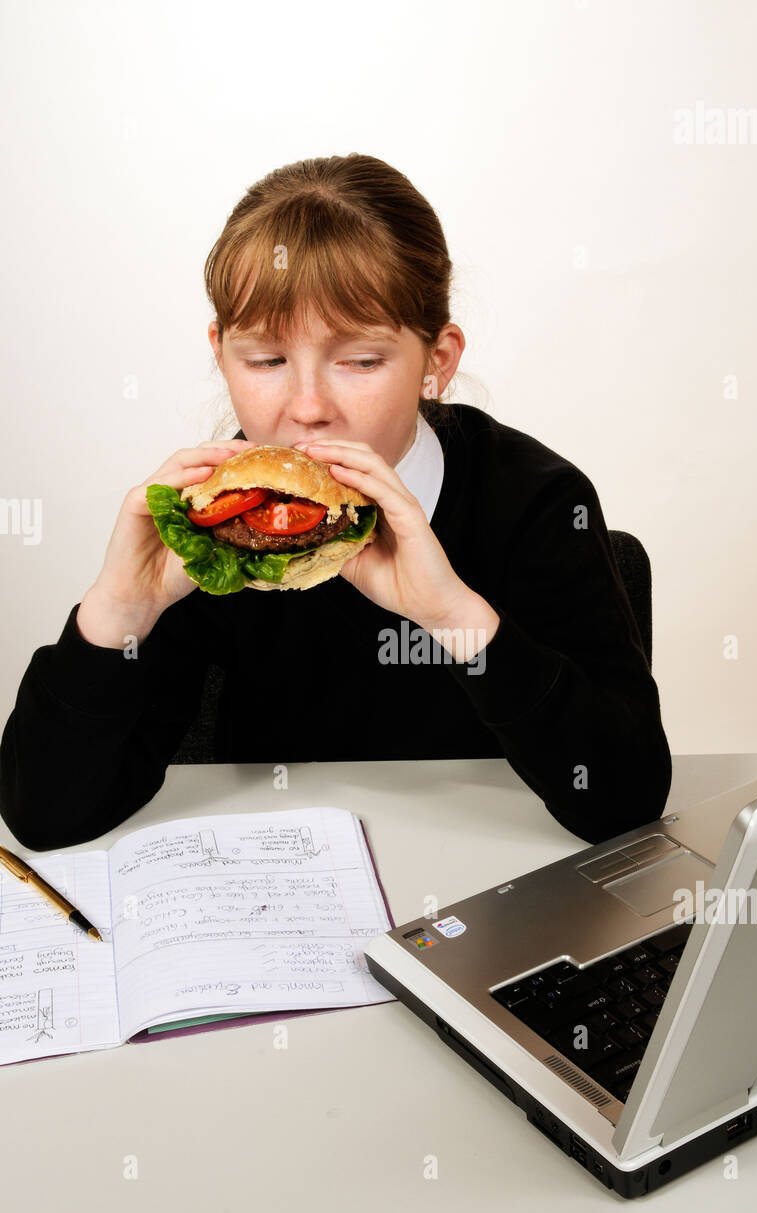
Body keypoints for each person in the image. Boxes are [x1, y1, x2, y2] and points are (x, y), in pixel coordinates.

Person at [0, 153, 672, 852]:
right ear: (220, 352)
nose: (307, 409)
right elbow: (47, 815)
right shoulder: (215, 522)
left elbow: (623, 803)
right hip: (274, 883)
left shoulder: (534, 500)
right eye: (265, 361)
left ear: (436, 361)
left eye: (360, 361)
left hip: (481, 883)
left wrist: (455, 618)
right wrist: (117, 615)